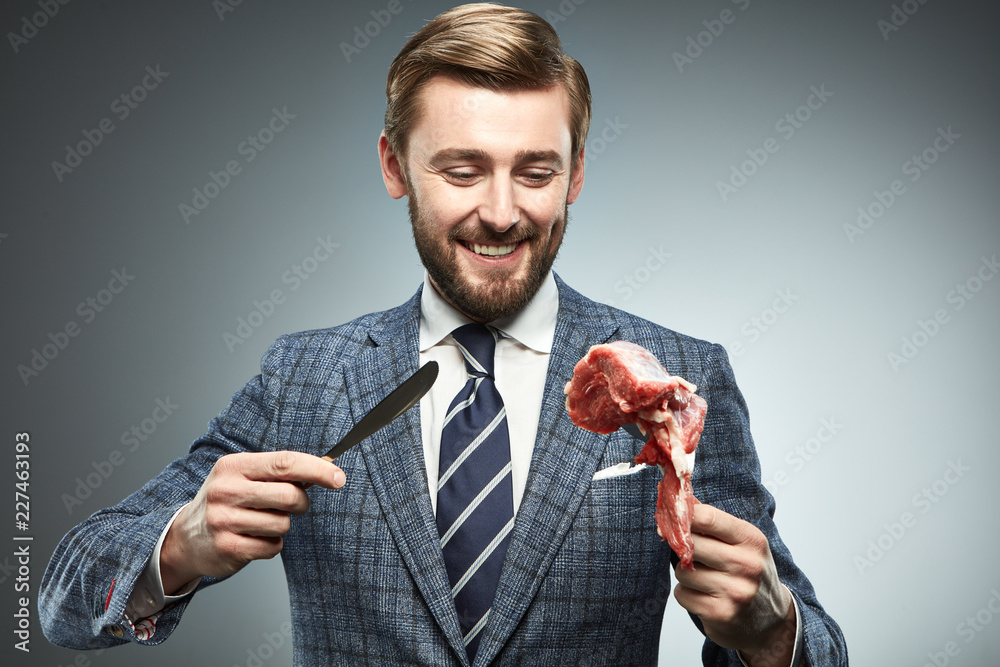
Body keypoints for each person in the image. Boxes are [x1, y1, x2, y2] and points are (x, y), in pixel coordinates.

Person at [40, 4, 847, 665]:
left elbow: (811, 638)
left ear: (577, 173)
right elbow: (57, 602)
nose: (501, 211)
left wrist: (772, 635)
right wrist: (178, 546)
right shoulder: (303, 378)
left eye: (535, 171)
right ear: (395, 167)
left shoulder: (680, 377)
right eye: (461, 170)